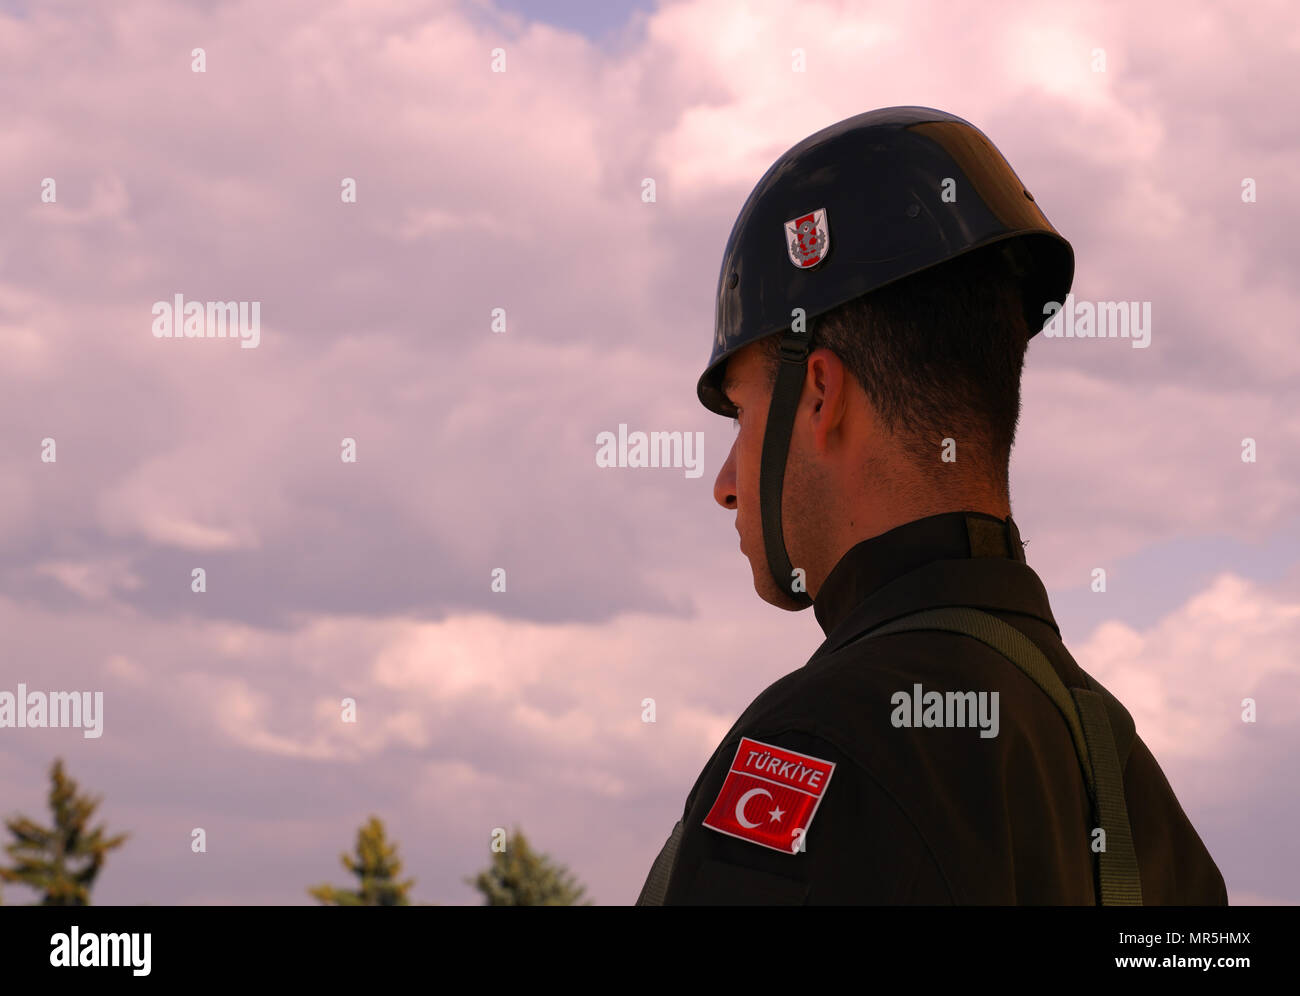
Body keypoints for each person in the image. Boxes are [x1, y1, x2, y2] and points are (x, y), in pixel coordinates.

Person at [636, 106, 1228, 905]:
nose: (726, 483)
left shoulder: (809, 752)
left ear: (820, 395)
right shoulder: (1123, 781)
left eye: (739, 415)